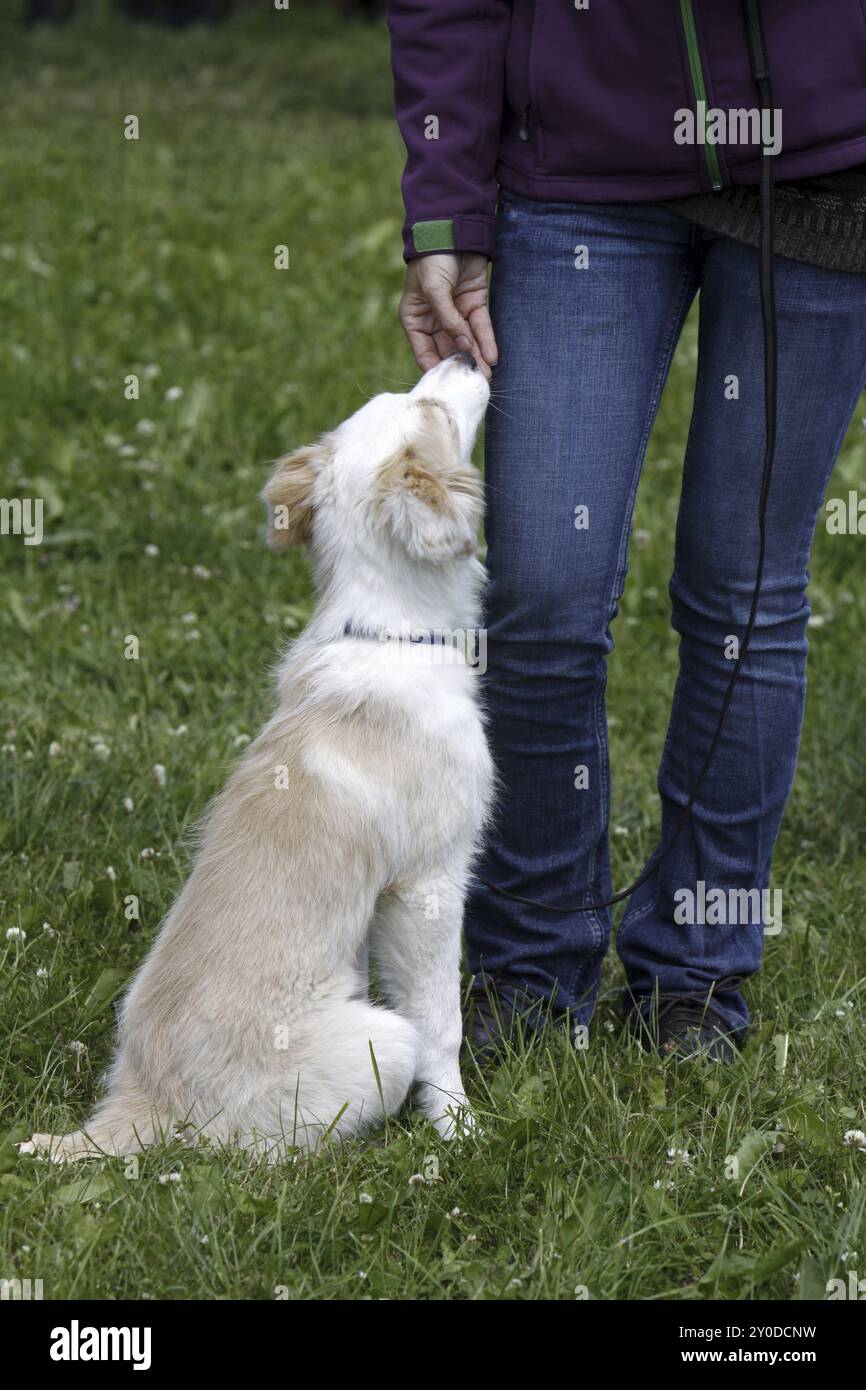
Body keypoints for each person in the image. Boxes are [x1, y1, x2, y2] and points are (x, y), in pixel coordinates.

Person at [386, 1, 866, 1061]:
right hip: (580, 174)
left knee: (744, 592)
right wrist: (444, 206)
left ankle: (697, 975)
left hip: (823, 163)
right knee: (541, 595)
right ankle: (526, 963)